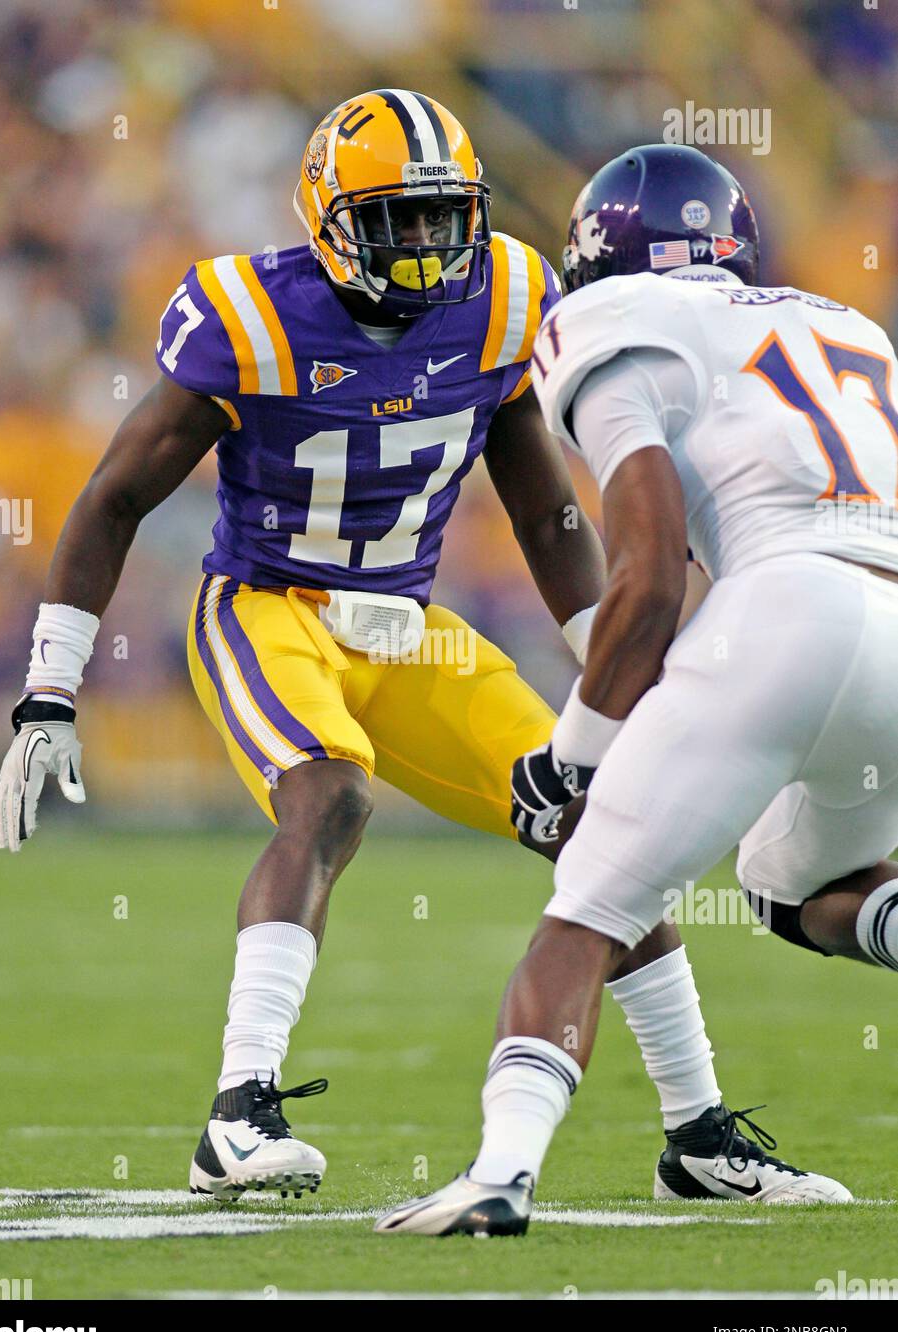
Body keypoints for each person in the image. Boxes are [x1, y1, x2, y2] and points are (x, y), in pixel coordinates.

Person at [0, 103, 829, 1207]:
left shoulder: (505, 297)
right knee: (331, 798)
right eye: (398, 221)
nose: (429, 247)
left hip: (407, 622)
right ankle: (237, 1110)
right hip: (266, 607)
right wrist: (50, 689)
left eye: (444, 218)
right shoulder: (249, 314)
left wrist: (607, 673)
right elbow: (116, 496)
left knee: (606, 820)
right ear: (330, 221)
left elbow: (541, 515)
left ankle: (695, 1131)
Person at [376, 143, 882, 1236]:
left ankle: (499, 1173)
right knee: (790, 887)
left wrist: (574, 757)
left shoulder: (609, 321)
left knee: (585, 915)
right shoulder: (850, 325)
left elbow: (646, 574)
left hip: (785, 603)